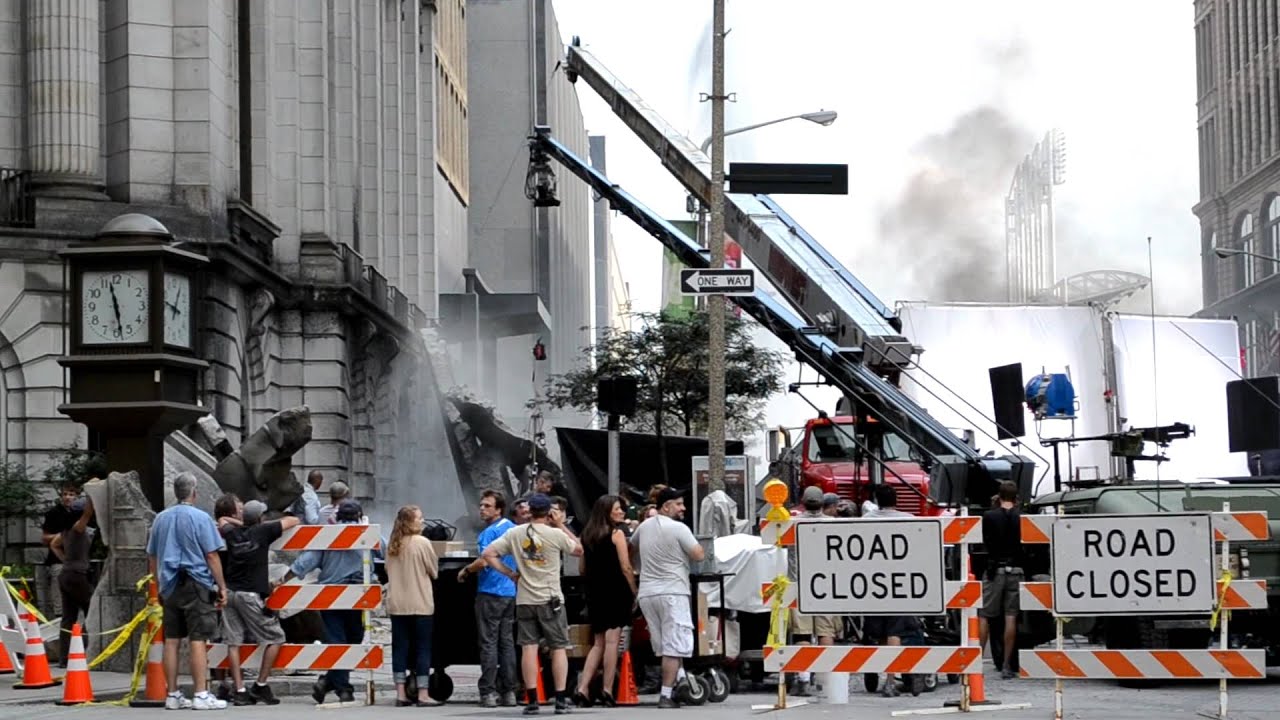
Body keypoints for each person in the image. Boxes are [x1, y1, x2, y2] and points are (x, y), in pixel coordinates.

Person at [481, 493, 582, 716]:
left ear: (529, 512)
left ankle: (532, 699)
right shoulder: (555, 534)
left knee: (529, 648)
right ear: (549, 512)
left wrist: (510, 573)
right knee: (558, 649)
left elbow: (488, 553)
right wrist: (561, 525)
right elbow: (579, 549)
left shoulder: (515, 533)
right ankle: (561, 699)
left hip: (525, 598)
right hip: (551, 598)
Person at [145, 472, 228, 711]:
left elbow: (153, 556)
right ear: (194, 492)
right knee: (198, 639)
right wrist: (221, 586)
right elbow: (211, 555)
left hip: (169, 584)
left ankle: (172, 693)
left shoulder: (160, 519)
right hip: (195, 582)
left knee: (171, 640)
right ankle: (201, 693)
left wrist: (158, 585)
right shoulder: (201, 518)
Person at [282, 499, 373, 704]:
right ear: (359, 516)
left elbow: (307, 560)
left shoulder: (327, 534)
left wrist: (284, 578)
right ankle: (343, 688)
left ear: (337, 516)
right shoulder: (366, 533)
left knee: (337, 640)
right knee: (353, 638)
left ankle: (329, 681)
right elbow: (382, 549)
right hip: (358, 594)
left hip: (330, 595)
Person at [215, 495, 299, 706]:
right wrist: (258, 523)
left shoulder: (232, 533)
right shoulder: (263, 531)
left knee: (233, 643)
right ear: (261, 518)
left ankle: (240, 689)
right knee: (276, 637)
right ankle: (260, 685)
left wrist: (240, 523)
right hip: (250, 596)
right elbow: (294, 521)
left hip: (231, 593)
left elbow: (222, 521)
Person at [630, 486, 705, 709]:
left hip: (648, 593)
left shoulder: (644, 527)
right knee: (675, 644)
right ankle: (666, 694)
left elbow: (630, 547)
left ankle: (680, 679)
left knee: (665, 645)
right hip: (672, 591)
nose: (683, 508)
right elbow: (698, 555)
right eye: (679, 504)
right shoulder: (679, 528)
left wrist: (637, 567)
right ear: (666, 506)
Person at [573, 495, 637, 707]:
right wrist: (634, 590)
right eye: (618, 509)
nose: (622, 512)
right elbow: (626, 566)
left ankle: (582, 688)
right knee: (612, 641)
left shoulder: (587, 535)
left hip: (594, 591)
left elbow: (581, 568)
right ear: (607, 511)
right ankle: (607, 689)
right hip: (616, 590)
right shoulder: (616, 534)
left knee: (598, 642)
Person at [458, 490, 519, 708]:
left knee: (488, 643)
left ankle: (488, 692)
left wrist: (466, 570)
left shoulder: (488, 534)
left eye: (487, 506)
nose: (482, 509)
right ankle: (510, 691)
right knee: (507, 643)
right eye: (481, 505)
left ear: (498, 509)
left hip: (490, 591)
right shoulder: (513, 529)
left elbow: (483, 562)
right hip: (510, 592)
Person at [863, 484, 924, 696]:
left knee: (880, 634)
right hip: (900, 584)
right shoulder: (908, 519)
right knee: (895, 631)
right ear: (896, 500)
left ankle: (884, 678)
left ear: (876, 500)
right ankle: (890, 681)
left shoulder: (866, 520)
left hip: (871, 585)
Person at [787, 486, 840, 697]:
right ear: (822, 503)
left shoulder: (792, 524)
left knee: (803, 632)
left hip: (800, 584)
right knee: (826, 631)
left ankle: (803, 678)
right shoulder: (833, 524)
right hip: (827, 584)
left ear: (803, 501)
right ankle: (826, 679)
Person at [385, 504, 440, 707]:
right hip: (420, 603)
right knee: (423, 649)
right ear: (410, 522)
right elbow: (434, 571)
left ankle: (400, 693)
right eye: (419, 518)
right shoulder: (422, 543)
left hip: (397, 604)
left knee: (399, 648)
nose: (423, 521)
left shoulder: (392, 544)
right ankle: (423, 694)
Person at [979, 481, 1023, 680]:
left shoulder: (989, 516)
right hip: (1016, 569)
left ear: (999, 495)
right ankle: (1006, 665)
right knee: (1011, 616)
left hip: (994, 569)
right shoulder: (1021, 517)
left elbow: (985, 540)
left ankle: (976, 663)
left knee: (985, 615)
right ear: (1015, 497)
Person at [50, 495, 94, 668]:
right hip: (78, 575)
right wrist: (92, 494)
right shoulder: (78, 528)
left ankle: (64, 658)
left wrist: (65, 559)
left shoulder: (66, 530)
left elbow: (54, 544)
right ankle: (86, 650)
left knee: (68, 618)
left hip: (66, 574)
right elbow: (88, 513)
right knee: (92, 612)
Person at [40, 482, 81, 637]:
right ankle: (58, 630)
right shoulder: (53, 513)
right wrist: (61, 537)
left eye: (71, 494)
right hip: (58, 561)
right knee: (59, 597)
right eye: (65, 494)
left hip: (78, 562)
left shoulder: (80, 513)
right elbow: (45, 538)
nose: (67, 497)